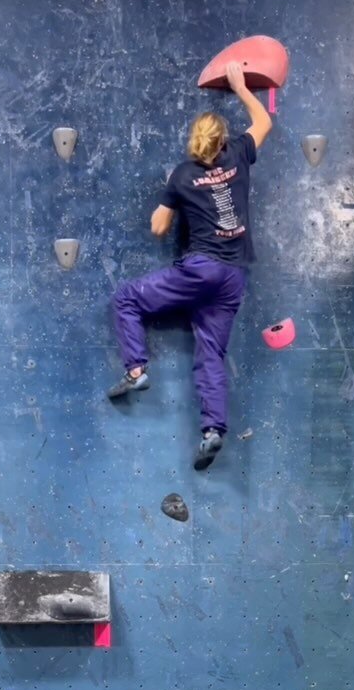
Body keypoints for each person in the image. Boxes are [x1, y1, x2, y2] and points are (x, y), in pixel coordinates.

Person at [108, 62, 273, 470]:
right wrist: (239, 86)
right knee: (211, 353)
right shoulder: (237, 154)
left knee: (127, 299)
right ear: (221, 142)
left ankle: (135, 370)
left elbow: (159, 228)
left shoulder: (182, 176)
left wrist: (169, 204)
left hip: (200, 270)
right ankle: (213, 430)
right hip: (233, 278)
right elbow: (263, 120)